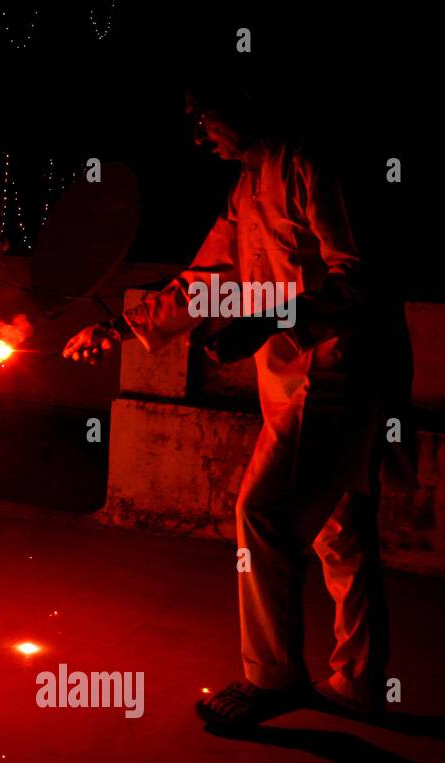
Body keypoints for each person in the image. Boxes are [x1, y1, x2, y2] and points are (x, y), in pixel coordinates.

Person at [63, 85, 412, 728]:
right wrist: (119, 329)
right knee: (341, 529)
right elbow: (209, 281)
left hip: (338, 371)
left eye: (203, 115)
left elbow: (359, 276)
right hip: (289, 380)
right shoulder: (246, 188)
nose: (198, 135)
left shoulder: (312, 163)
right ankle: (361, 682)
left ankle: (274, 679)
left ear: (245, 96)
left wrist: (272, 320)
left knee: (263, 512)